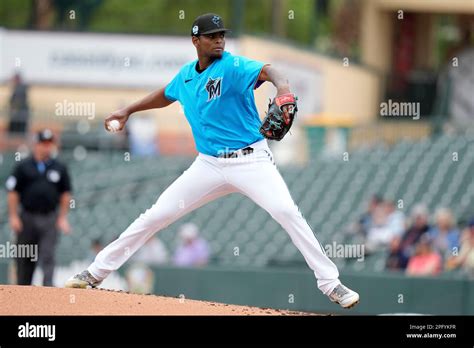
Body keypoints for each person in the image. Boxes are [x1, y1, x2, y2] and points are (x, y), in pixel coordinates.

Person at [66, 13, 359, 309]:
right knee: (156, 215)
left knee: (286, 211)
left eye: (222, 35)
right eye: (212, 35)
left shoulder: (232, 66)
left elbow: (270, 71)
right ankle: (96, 272)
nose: (219, 39)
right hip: (208, 165)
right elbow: (166, 95)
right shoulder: (186, 76)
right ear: (196, 40)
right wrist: (128, 110)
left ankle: (330, 283)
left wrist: (283, 89)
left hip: (251, 161)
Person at [6, 129, 72, 286]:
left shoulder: (59, 167)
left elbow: (65, 194)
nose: (46, 147)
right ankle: (23, 291)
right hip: (27, 217)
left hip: (49, 218)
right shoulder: (23, 166)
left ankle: (48, 293)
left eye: (49, 144)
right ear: (36, 145)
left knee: (48, 255)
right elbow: (13, 192)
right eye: (43, 144)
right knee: (25, 257)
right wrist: (13, 216)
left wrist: (62, 217)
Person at [386, 204, 431, 270]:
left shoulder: (428, 231)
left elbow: (423, 248)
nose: (419, 220)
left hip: (416, 261)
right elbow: (400, 244)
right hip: (402, 259)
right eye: (417, 218)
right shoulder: (410, 231)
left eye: (420, 218)